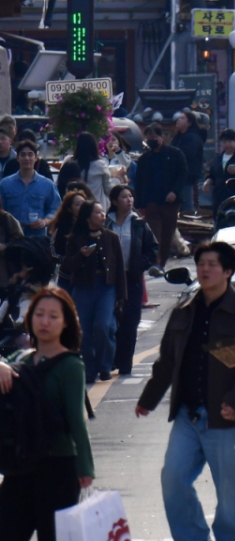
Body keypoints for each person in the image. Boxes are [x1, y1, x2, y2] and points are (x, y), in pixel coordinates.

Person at [136, 241, 235, 541]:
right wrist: (149, 399)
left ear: (228, 271)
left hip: (225, 418)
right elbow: (167, 359)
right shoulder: (185, 309)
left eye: (212, 264)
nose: (204, 269)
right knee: (173, 479)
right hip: (187, 413)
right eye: (201, 263)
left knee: (230, 491)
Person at [0, 287, 94, 541]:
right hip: (21, 467)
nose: (45, 321)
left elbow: (77, 421)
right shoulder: (21, 359)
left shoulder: (71, 365)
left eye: (54, 316)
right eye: (39, 314)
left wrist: (85, 469)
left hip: (59, 469)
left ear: (66, 322)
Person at [60, 199, 127, 384]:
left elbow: (119, 268)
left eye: (103, 212)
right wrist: (82, 255)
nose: (102, 216)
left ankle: (105, 365)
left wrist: (122, 295)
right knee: (84, 331)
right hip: (83, 287)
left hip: (106, 287)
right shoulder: (75, 238)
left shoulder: (111, 237)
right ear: (88, 216)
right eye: (98, 212)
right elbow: (68, 266)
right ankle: (89, 368)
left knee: (104, 326)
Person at [107, 185, 159, 375]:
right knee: (110, 322)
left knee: (130, 321)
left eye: (131, 196)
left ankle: (125, 363)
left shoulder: (139, 223)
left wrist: (140, 265)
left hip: (132, 278)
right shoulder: (107, 223)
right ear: (114, 202)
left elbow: (152, 249)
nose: (129, 200)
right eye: (124, 197)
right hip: (109, 279)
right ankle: (110, 359)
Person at [134, 123, 187, 270]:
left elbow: (182, 175)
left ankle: (161, 263)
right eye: (149, 137)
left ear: (162, 137)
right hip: (151, 201)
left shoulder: (175, 154)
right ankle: (155, 262)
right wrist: (139, 203)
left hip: (170, 202)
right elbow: (139, 181)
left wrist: (175, 192)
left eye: (154, 137)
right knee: (154, 233)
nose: (152, 140)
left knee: (168, 233)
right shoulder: (144, 159)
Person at [1, 139, 61, 237]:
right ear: (17, 158)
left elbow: (56, 208)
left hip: (37, 237)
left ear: (36, 157)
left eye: (30, 154)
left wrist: (45, 221)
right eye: (23, 155)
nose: (27, 158)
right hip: (12, 236)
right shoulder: (5, 184)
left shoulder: (47, 184)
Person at [56, 132, 114, 212]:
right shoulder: (100, 165)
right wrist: (118, 178)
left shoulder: (68, 161)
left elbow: (59, 184)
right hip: (95, 209)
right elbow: (109, 190)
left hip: (72, 209)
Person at [205, 129, 235, 212]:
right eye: (224, 142)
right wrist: (208, 181)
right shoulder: (218, 157)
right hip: (219, 196)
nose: (227, 144)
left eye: (229, 141)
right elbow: (212, 175)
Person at [173, 111, 207, 215]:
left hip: (187, 177)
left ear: (190, 122)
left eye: (182, 118)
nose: (178, 120)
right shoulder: (179, 136)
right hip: (178, 177)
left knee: (187, 206)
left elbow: (186, 155)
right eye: (178, 118)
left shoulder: (193, 137)